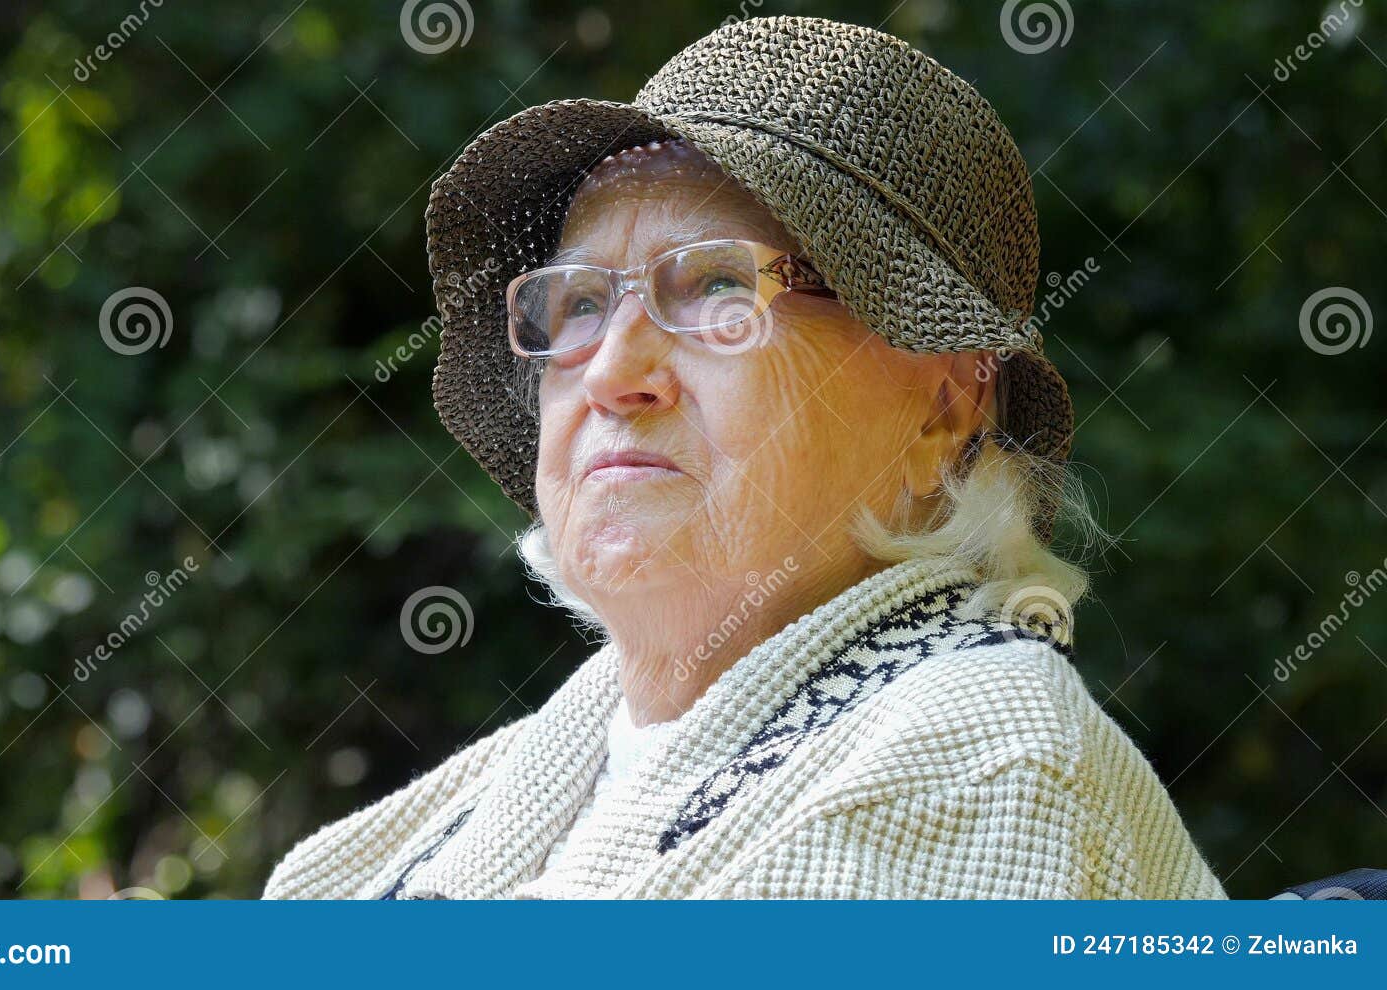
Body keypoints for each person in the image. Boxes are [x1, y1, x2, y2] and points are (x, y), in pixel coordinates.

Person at [265, 16, 1224, 899]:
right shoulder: (386, 845)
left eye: (717, 287)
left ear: (943, 410)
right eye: (581, 304)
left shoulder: (983, 759)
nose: (612, 373)